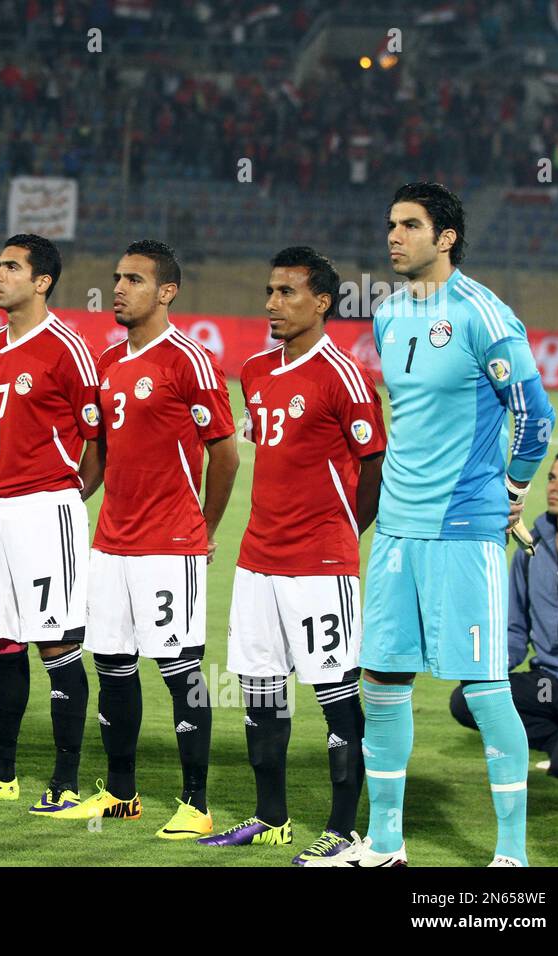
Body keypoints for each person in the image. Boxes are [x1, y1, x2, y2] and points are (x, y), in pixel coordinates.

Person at [324, 182, 557, 867]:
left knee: (484, 688)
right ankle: (388, 845)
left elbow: (535, 418)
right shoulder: (389, 315)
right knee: (383, 682)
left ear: (446, 237)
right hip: (397, 531)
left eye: (409, 225)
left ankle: (510, 855)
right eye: (391, 224)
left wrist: (512, 490)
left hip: (463, 529)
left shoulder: (485, 314)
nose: (393, 237)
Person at [198, 247, 386, 864]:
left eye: (288, 292)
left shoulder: (345, 377)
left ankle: (345, 829)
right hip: (256, 562)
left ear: (323, 302)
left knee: (336, 698)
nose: (273, 303)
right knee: (261, 696)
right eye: (270, 291)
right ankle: (270, 815)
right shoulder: (254, 371)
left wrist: (338, 535)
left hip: (319, 566)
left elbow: (374, 470)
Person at [56, 240, 238, 827]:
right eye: (117, 278)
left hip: (169, 544)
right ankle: (121, 793)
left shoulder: (189, 360)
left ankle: (196, 804)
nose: (118, 288)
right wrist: (73, 498)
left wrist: (203, 530)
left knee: (180, 669)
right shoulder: (107, 364)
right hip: (111, 544)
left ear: (166, 292)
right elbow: (101, 453)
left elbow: (226, 455)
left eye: (133, 279)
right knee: (111, 662)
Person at [0, 234, 100, 811]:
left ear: (42, 281)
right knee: (0, 641)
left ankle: (66, 779)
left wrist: (69, 496)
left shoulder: (67, 348)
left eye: (11, 267)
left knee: (56, 643)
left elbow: (97, 440)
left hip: (46, 509)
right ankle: (0, 769)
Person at [450, 449, 558, 782]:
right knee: (467, 700)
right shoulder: (533, 550)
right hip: (549, 683)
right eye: (552, 478)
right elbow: (515, 630)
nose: (555, 487)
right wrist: (490, 673)